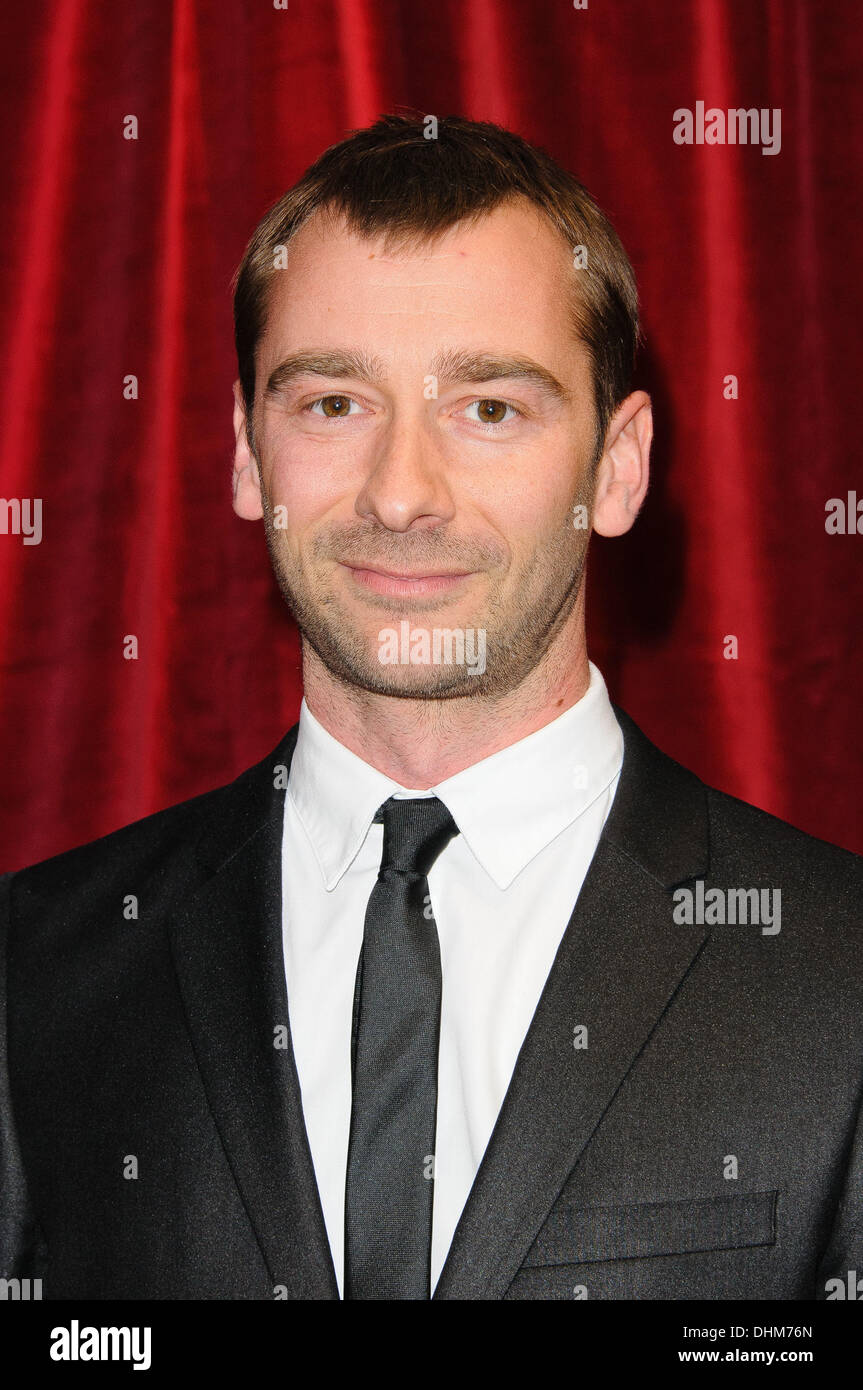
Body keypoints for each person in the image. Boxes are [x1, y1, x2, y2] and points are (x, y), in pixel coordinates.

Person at [2, 114, 861, 1302]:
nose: (402, 494)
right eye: (332, 404)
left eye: (489, 408)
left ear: (617, 467)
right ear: (248, 455)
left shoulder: (839, 973)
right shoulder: (35, 968)